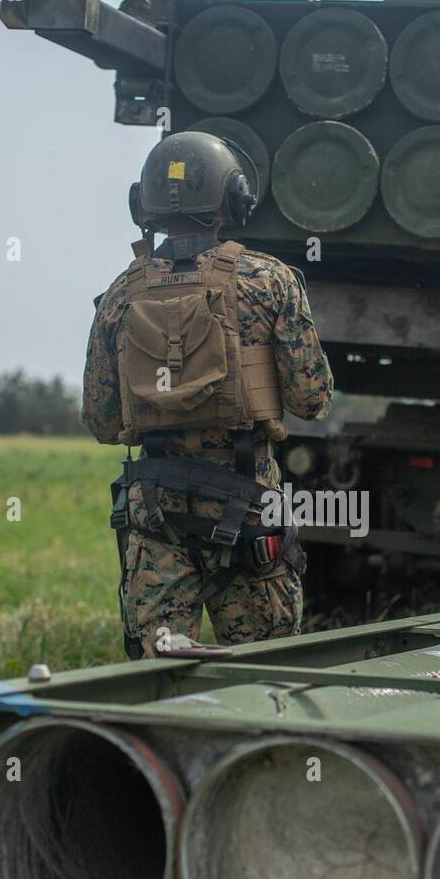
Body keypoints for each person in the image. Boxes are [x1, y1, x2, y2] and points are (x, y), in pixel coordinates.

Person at [82, 130, 333, 656]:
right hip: (248, 506)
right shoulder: (272, 281)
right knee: (269, 678)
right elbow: (312, 398)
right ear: (234, 198)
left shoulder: (118, 296)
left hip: (155, 516)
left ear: (142, 205)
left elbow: (103, 423)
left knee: (159, 678)